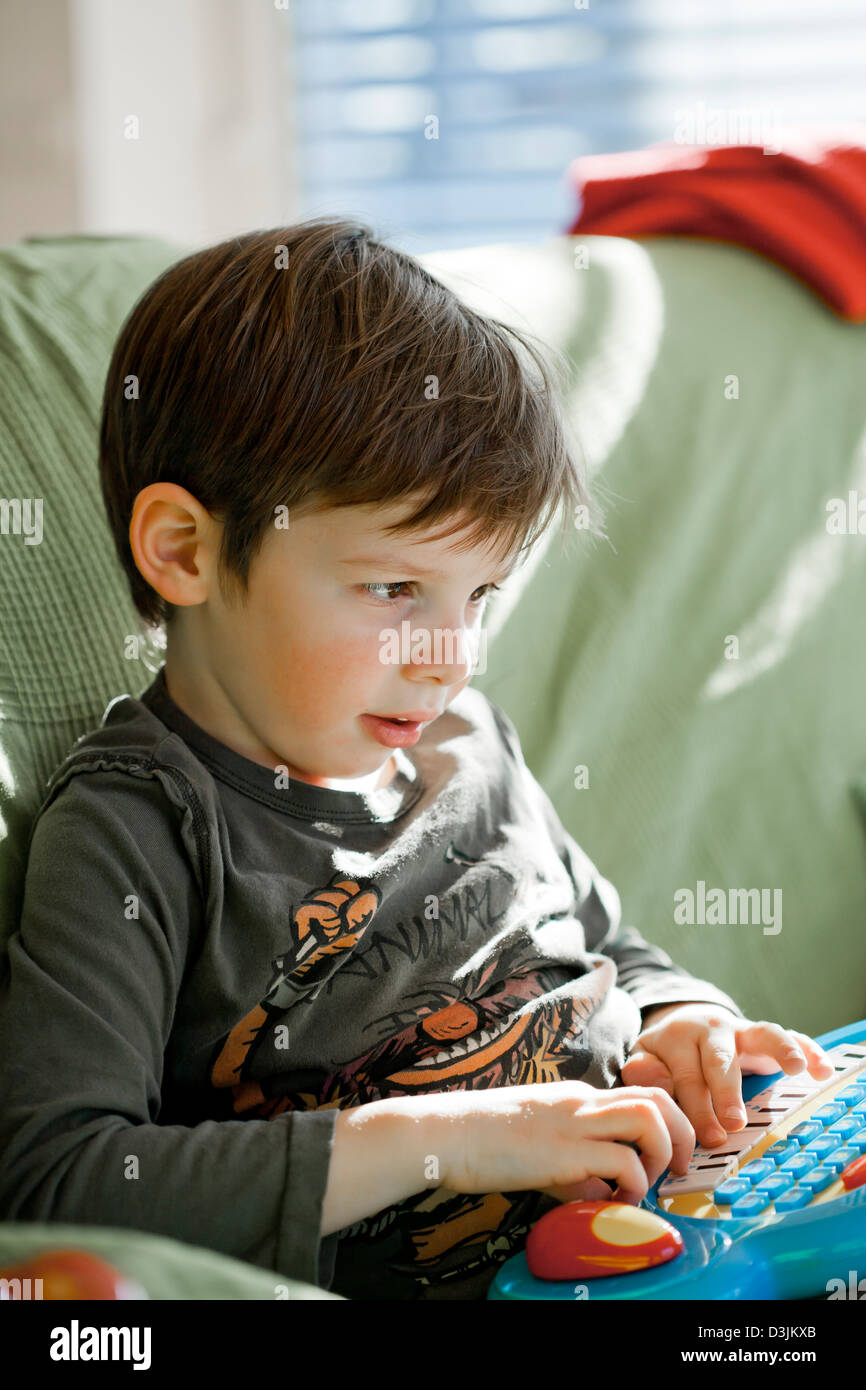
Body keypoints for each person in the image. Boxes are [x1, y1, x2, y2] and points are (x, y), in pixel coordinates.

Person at [0, 218, 835, 1301]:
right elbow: (55, 1183)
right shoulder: (140, 827)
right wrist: (450, 1139)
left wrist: (688, 1026)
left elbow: (608, 951)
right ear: (184, 550)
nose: (453, 658)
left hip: (686, 1245)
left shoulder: (467, 743)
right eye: (396, 590)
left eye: (477, 595)